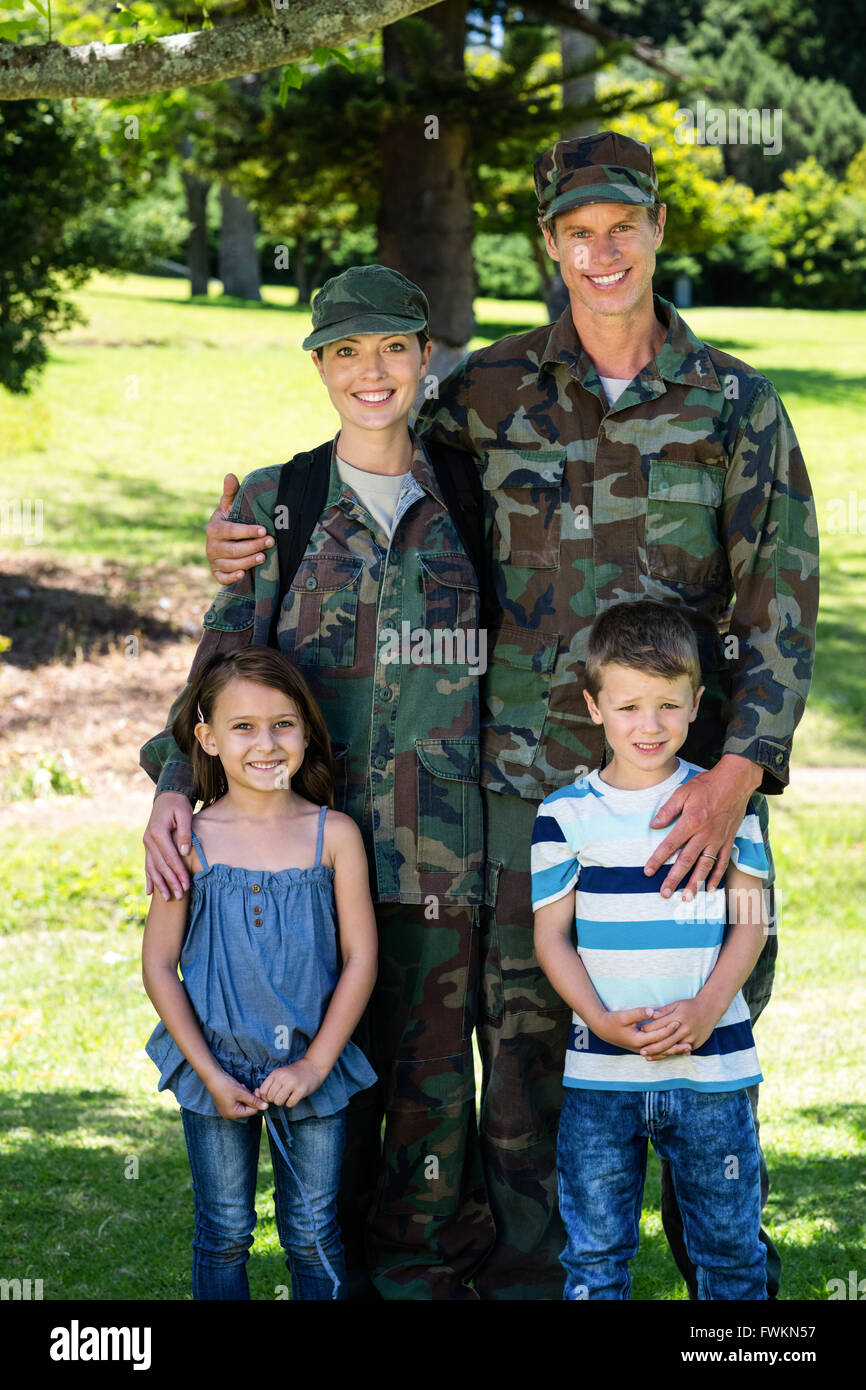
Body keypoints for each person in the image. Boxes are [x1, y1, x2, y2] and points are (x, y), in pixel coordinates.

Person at [194, 134, 819, 1298]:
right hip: (517, 795)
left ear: (655, 230)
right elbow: (366, 470)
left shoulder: (735, 401)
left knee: (694, 1044)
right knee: (527, 1054)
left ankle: (725, 1296)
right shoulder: (482, 391)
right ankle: (523, 1280)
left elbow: (777, 602)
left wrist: (737, 775)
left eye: (620, 225)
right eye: (576, 231)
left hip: (686, 794)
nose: (601, 251)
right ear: (546, 244)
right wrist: (256, 532)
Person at [141, 265, 494, 1300]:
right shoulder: (278, 500)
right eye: (345, 351)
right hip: (297, 861)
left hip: (441, 853)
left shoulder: (473, 493)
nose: (370, 371)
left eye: (392, 348)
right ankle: (325, 1276)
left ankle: (419, 1285)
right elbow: (222, 663)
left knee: (431, 1093)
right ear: (319, 365)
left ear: (425, 357)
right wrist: (173, 783)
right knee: (314, 1092)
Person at [532, 600, 770, 1300]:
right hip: (603, 1075)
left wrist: (705, 1009)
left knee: (729, 1252)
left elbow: (750, 921)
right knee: (596, 1257)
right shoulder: (564, 815)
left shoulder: (727, 805)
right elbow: (552, 936)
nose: (650, 724)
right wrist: (599, 1021)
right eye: (629, 706)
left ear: (697, 704)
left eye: (668, 705)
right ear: (594, 706)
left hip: (713, 1071)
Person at [141, 647, 378, 1300]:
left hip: (311, 1070)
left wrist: (314, 1065)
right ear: (208, 738)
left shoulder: (334, 836)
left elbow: (361, 959)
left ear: (306, 731)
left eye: (283, 723)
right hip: (214, 1066)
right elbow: (159, 966)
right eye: (243, 727)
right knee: (222, 1231)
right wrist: (211, 1075)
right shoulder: (189, 841)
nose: (266, 743)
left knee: (311, 1232)